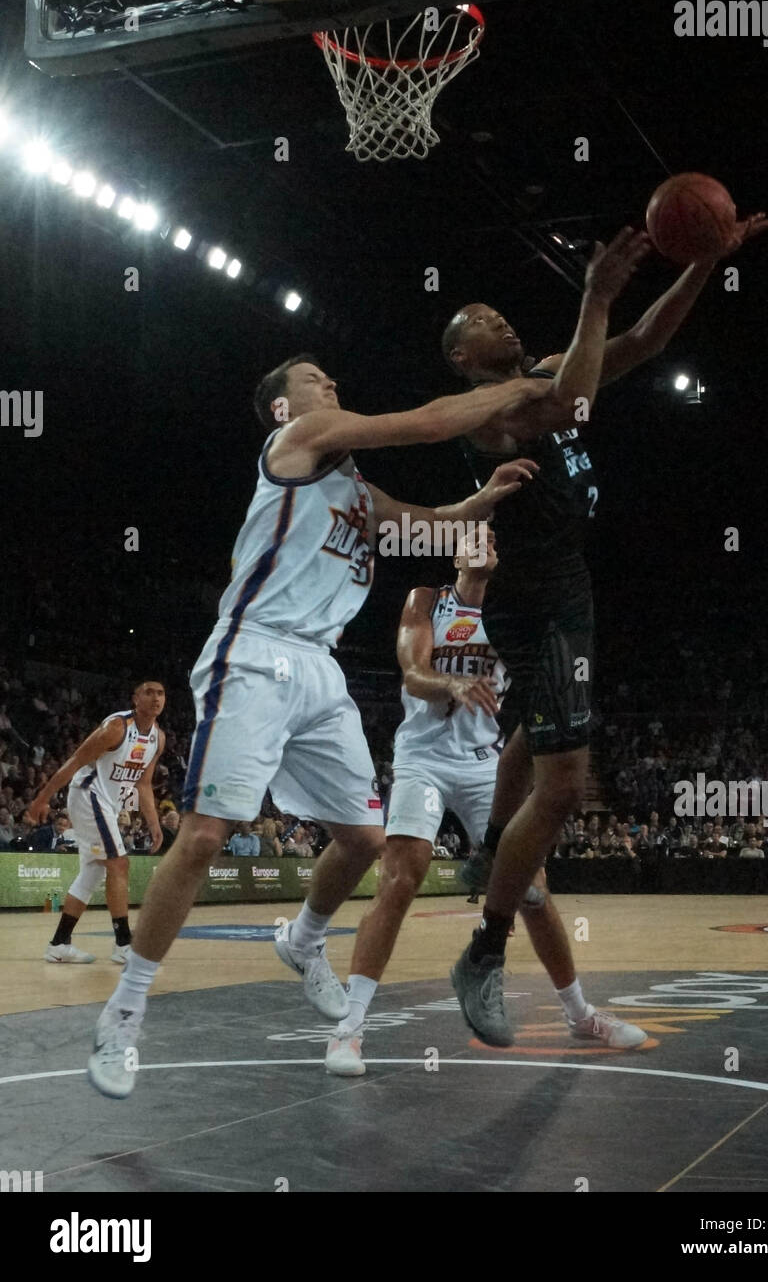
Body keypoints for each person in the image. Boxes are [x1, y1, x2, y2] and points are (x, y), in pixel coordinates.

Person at [87, 351, 547, 1097]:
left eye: (332, 380)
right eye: (313, 381)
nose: (330, 385)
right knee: (206, 833)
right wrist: (517, 391)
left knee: (366, 839)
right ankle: (125, 1011)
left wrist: (481, 499)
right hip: (256, 648)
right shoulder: (296, 443)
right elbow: (425, 423)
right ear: (283, 407)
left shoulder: (356, 489)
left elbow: (428, 529)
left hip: (320, 667)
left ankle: (301, 941)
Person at [446, 212, 768, 1045]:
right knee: (563, 786)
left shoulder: (551, 366)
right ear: (461, 354)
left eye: (502, 315)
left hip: (569, 588)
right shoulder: (482, 411)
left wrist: (701, 262)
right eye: (483, 322)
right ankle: (485, 949)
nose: (503, 323)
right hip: (535, 597)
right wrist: (591, 293)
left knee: (536, 739)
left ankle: (489, 845)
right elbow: (569, 405)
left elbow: (645, 339)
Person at [325, 531, 644, 1074]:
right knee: (403, 875)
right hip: (422, 757)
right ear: (457, 554)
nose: (486, 542)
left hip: (484, 763)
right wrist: (449, 684)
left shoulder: (510, 613)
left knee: (534, 891)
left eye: (494, 539)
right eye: (476, 536)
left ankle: (580, 1013)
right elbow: (412, 670)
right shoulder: (425, 599)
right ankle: (349, 1028)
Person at [28, 681, 166, 966]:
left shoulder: (158, 738)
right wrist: (42, 798)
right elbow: (76, 761)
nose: (156, 698)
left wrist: (154, 823)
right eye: (149, 692)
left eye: (161, 693)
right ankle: (124, 945)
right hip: (87, 795)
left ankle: (59, 944)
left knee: (92, 873)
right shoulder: (116, 728)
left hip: (108, 803)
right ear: (135, 698)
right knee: (118, 863)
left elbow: (144, 783)